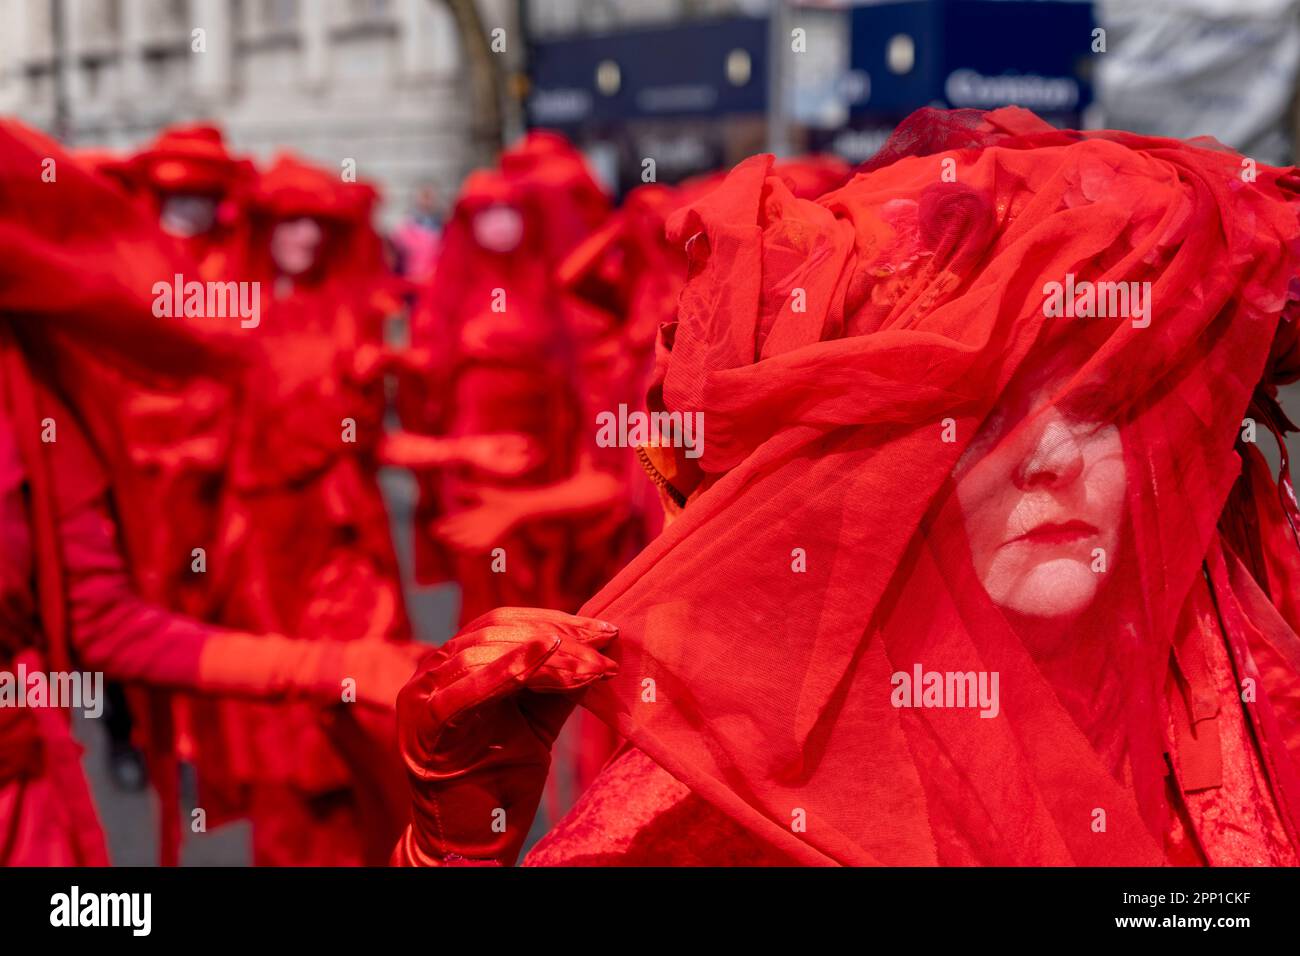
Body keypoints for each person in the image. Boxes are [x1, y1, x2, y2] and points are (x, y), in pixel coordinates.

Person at [393, 107, 1300, 866]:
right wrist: (452, 848)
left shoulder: (1242, 695)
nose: (1054, 455)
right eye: (990, 420)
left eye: (1101, 405)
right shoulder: (765, 784)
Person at [0, 120, 422, 866]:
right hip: (237, 539)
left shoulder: (40, 398)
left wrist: (324, 666)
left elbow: (104, 621)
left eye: (314, 223)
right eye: (176, 194)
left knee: (334, 766)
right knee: (283, 769)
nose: (302, 237)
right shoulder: (218, 304)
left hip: (317, 546)